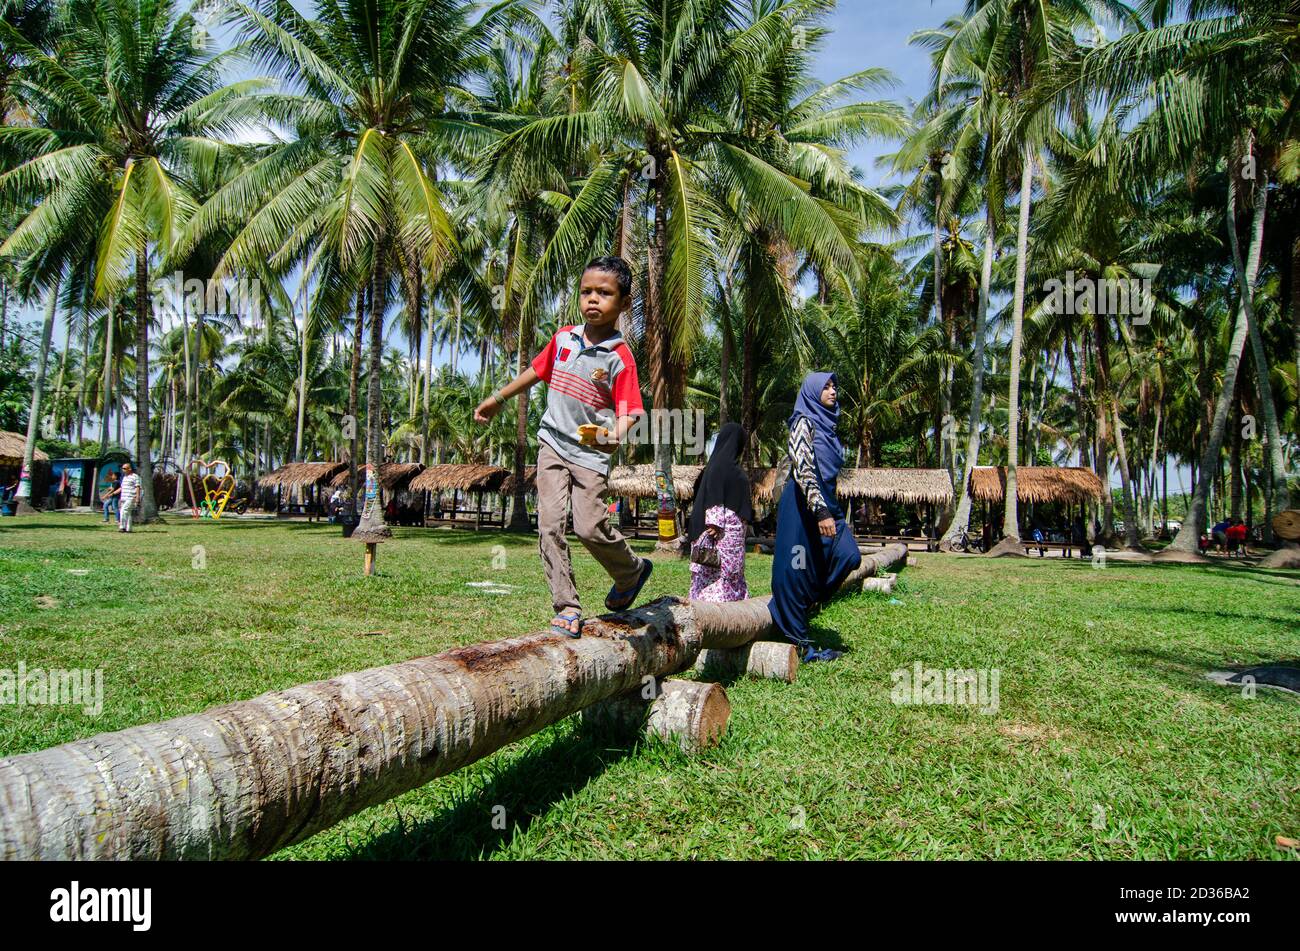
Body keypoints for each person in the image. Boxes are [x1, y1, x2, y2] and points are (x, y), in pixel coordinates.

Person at [473, 256, 653, 638]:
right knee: (549, 523)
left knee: (589, 527)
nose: (593, 299)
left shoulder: (619, 357)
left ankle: (631, 571)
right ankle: (567, 605)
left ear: (622, 303)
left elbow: (632, 410)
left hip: (590, 453)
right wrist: (498, 397)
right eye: (587, 291)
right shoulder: (564, 339)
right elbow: (536, 372)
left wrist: (614, 433)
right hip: (552, 443)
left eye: (604, 293)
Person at [768, 372, 861, 662]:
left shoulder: (829, 428)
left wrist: (827, 508)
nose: (833, 392)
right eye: (826, 387)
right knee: (796, 565)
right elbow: (803, 466)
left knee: (848, 554)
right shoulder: (803, 422)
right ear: (812, 392)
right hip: (803, 504)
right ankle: (800, 640)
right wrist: (819, 510)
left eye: (835, 387)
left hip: (828, 504)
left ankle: (804, 602)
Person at [687, 422, 752, 602]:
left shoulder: (722, 465)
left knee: (731, 568)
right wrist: (714, 523)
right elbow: (714, 495)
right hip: (722, 531)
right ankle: (715, 605)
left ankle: (730, 602)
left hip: (732, 530)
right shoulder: (720, 466)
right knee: (721, 568)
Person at [118, 462, 141, 533]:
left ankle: (122, 527)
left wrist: (137, 497)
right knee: (128, 513)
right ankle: (129, 529)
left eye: (124, 468)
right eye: (122, 468)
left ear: (129, 469)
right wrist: (112, 493)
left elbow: (138, 487)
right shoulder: (124, 477)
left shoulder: (135, 476)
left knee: (123, 510)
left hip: (130, 497)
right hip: (123, 498)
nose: (123, 470)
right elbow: (121, 488)